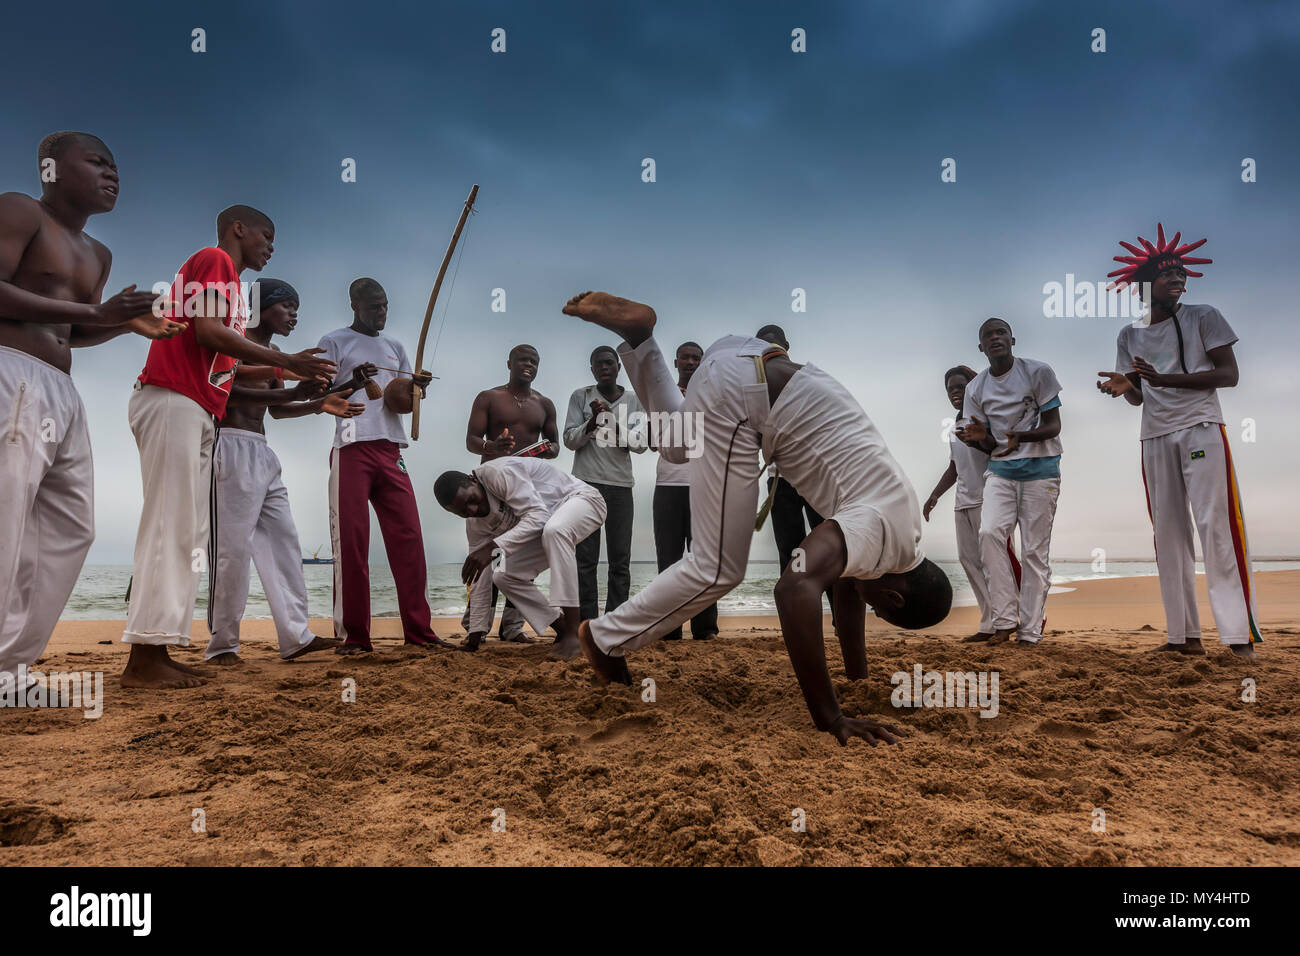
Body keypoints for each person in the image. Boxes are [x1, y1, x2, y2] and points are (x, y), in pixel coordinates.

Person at [562, 291, 951, 747]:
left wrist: (857, 678)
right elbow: (794, 587)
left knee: (675, 446)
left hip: (743, 357)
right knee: (718, 568)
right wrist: (831, 718)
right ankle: (604, 638)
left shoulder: (906, 532)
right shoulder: (882, 531)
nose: (868, 608)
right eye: (877, 608)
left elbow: (847, 588)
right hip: (746, 401)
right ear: (894, 597)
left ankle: (641, 341)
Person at [122, 205, 337, 689]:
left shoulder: (233, 293)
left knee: (184, 532)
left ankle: (155, 649)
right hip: (173, 399)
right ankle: (144, 660)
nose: (272, 246)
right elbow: (210, 334)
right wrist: (289, 363)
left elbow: (225, 361)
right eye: (267, 234)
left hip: (194, 406)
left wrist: (289, 372)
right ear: (239, 228)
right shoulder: (216, 260)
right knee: (170, 526)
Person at [0, 131, 183, 687]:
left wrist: (121, 322)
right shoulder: (20, 210)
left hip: (62, 388)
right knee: (6, 520)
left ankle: (10, 664)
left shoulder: (99, 254)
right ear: (51, 169)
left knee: (69, 527)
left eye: (116, 165)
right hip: (12, 374)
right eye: (98, 161)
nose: (113, 173)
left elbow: (72, 330)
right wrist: (106, 315)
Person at [1097, 224, 1259, 659]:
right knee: (1168, 534)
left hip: (1201, 426)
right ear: (1145, 285)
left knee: (1215, 525)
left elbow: (1229, 375)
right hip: (1154, 435)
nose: (1178, 278)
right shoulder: (1129, 334)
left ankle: (1238, 636)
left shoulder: (1204, 315)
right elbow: (1137, 397)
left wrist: (1162, 380)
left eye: (1181, 272)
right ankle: (1183, 638)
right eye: (1168, 273)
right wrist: (1123, 387)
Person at [205, 279, 361, 664]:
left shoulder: (274, 352)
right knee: (231, 551)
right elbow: (228, 391)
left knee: (284, 542)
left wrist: (320, 402)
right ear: (261, 307)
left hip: (262, 451)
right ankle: (223, 645)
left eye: (297, 307)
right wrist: (295, 390)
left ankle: (296, 637)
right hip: (228, 445)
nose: (294, 314)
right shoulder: (233, 341)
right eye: (287, 305)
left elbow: (278, 409)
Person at [318, 277, 442, 655]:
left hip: (391, 449)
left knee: (409, 539)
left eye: (386, 305)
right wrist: (353, 382)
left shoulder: (396, 347)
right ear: (355, 305)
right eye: (374, 306)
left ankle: (420, 632)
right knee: (353, 544)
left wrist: (417, 388)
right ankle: (355, 638)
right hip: (352, 447)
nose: (382, 312)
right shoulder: (334, 342)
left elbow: (402, 400)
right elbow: (319, 397)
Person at [956, 318, 1062, 647]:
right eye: (988, 335)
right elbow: (990, 445)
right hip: (1001, 471)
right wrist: (978, 440)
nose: (995, 338)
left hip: (1041, 470)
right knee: (989, 534)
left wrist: (1021, 436)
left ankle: (1029, 632)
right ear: (981, 348)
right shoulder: (976, 389)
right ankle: (1003, 622)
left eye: (1000, 332)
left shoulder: (1038, 372)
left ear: (1012, 339)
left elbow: (1054, 425)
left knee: (1033, 552)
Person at [435, 457, 607, 658]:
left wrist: (492, 547)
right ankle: (561, 627)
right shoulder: (476, 526)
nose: (472, 510)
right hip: (546, 529)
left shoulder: (497, 474)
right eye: (463, 512)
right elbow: (481, 578)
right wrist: (474, 636)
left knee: (554, 531)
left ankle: (572, 633)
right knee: (503, 575)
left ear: (473, 480)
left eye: (471, 500)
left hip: (581, 500)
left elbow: (537, 516)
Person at [464, 344, 560, 642]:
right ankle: (475, 625)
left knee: (522, 557)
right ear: (509, 363)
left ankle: (512, 627)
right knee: (487, 554)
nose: (528, 364)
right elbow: (471, 440)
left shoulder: (544, 404)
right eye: (522, 360)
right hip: (492, 486)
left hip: (528, 487)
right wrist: (491, 448)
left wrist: (544, 450)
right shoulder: (489, 397)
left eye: (534, 360)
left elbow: (556, 445)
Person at [922, 365, 1022, 642]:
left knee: (996, 560)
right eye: (950, 388)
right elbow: (954, 467)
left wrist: (981, 440)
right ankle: (989, 622)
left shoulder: (986, 418)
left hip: (990, 497)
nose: (955, 392)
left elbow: (999, 449)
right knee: (970, 561)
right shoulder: (955, 425)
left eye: (960, 386)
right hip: (963, 501)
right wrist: (934, 495)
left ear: (974, 387)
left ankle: (1010, 619)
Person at [756, 324, 834, 626]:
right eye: (762, 345)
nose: (769, 349)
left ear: (786, 345)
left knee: (827, 550)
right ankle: (797, 621)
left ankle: (840, 617)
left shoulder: (806, 379)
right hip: (779, 482)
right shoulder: (756, 390)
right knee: (789, 554)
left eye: (774, 344)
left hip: (814, 477)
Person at [564, 345, 647, 620]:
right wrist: (590, 425)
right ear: (592, 369)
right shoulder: (581, 396)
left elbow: (640, 444)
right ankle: (586, 621)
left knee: (619, 561)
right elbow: (569, 440)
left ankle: (615, 620)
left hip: (621, 487)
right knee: (584, 559)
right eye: (598, 364)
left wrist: (610, 420)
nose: (604, 367)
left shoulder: (635, 400)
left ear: (618, 367)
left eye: (609, 363)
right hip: (586, 486)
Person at [651, 341, 717, 641]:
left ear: (702, 364)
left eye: (696, 358)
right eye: (685, 358)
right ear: (675, 363)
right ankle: (670, 629)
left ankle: (705, 629)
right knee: (669, 561)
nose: (690, 362)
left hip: (704, 486)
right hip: (668, 486)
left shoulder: (713, 396)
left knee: (703, 560)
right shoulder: (662, 397)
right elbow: (654, 441)